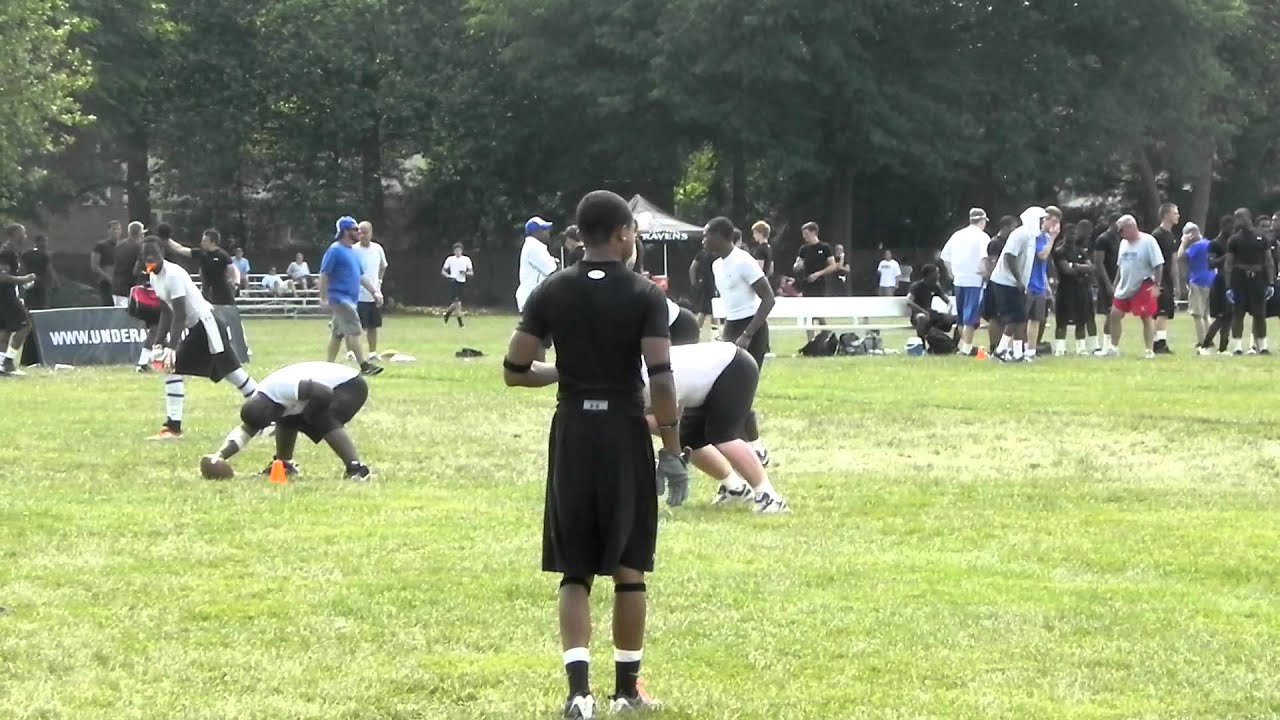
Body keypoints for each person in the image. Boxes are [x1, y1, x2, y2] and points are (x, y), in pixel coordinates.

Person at [502, 190, 682, 718]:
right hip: (624, 431)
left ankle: (578, 693)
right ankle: (626, 691)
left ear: (580, 235)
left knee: (575, 569)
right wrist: (671, 449)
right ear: (624, 233)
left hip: (575, 431)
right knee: (630, 567)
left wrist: (567, 372)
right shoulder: (645, 294)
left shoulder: (551, 290)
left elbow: (515, 370)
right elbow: (661, 378)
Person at [138, 236, 261, 440]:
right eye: (145, 255)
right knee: (230, 372)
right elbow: (166, 312)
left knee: (180, 368)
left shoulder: (173, 274)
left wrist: (171, 347)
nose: (149, 258)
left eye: (153, 254)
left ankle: (173, 427)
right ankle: (269, 412)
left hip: (207, 324)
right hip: (200, 327)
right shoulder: (153, 276)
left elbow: (180, 314)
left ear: (162, 253)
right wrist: (158, 342)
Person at [644, 342, 787, 512]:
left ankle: (769, 497)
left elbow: (666, 413)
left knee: (724, 437)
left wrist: (670, 451)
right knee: (689, 440)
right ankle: (735, 488)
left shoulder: (636, 379)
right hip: (708, 382)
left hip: (732, 366)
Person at [200, 361, 373, 482]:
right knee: (288, 418)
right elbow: (246, 431)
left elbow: (325, 393)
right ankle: (284, 464)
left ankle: (357, 468)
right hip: (321, 391)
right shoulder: (261, 402)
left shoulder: (284, 388)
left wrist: (308, 418)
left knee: (320, 418)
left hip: (349, 385)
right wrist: (219, 456)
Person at [706, 216, 776, 467]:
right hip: (732, 327)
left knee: (740, 393)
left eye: (707, 235)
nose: (703, 241)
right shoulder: (716, 265)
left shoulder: (744, 261)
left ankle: (756, 449)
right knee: (727, 391)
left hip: (752, 328)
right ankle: (745, 447)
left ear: (721, 236)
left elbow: (768, 299)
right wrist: (727, 333)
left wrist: (747, 334)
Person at [320, 216, 384, 376]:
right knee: (355, 331)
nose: (359, 232)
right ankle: (364, 366)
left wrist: (374, 292)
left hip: (350, 299)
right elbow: (324, 274)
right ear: (345, 231)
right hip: (340, 298)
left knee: (337, 334)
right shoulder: (335, 250)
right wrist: (323, 298)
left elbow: (361, 277)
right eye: (355, 229)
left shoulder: (352, 252)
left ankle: (327, 367)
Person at [989, 207, 1047, 362]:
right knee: (1015, 318)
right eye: (1042, 220)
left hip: (1016, 283)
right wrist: (1019, 280)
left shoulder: (1032, 236)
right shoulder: (1020, 234)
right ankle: (1002, 350)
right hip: (1005, 281)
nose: (1043, 223)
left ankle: (1016, 352)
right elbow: (1009, 257)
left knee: (1020, 318)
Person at [1101, 215, 1164, 358]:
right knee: (1114, 315)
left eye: (1121, 231)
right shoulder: (1123, 243)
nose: (1119, 234)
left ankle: (1149, 350)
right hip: (1125, 285)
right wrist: (1115, 283)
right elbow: (1121, 265)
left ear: (1131, 227)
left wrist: (1156, 286)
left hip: (1143, 283)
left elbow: (1159, 264)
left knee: (1146, 317)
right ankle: (1113, 347)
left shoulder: (1148, 241)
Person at [940, 208, 990, 356]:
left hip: (959, 280)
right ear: (982, 221)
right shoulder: (982, 237)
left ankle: (965, 346)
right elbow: (984, 259)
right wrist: (986, 275)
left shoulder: (957, 235)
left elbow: (945, 256)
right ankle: (967, 348)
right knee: (971, 316)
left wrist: (952, 273)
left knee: (962, 317)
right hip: (974, 279)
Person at [1225, 208, 1274, 355]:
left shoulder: (1261, 238)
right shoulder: (1234, 239)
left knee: (1260, 313)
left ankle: (1263, 346)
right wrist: (1228, 286)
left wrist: (1270, 282)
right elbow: (1229, 263)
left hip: (1258, 278)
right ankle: (1237, 346)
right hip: (1240, 278)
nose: (1236, 221)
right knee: (1238, 313)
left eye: (1238, 218)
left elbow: (1268, 261)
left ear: (1247, 218)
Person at [1051, 220, 1097, 355]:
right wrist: (1081, 268)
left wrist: (1076, 266)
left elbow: (1091, 267)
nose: (1074, 236)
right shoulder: (1059, 251)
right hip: (1065, 289)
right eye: (1071, 233)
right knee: (1062, 320)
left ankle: (1081, 347)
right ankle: (1060, 347)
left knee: (1081, 319)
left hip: (1081, 288)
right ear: (1065, 234)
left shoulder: (1080, 250)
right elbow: (1066, 270)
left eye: (1075, 233)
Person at [163, 228, 237, 307]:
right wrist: (167, 239)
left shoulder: (222, 255)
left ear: (213, 242)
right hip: (208, 293)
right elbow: (180, 249)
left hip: (224, 294)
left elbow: (232, 269)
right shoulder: (202, 254)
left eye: (205, 241)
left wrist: (234, 281)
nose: (202, 243)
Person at [1024, 207, 1061, 360]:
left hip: (1039, 283)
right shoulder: (1037, 237)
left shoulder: (1045, 237)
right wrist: (1053, 238)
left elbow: (1044, 265)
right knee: (1022, 320)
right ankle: (1016, 348)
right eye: (1053, 221)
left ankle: (1031, 350)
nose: (1055, 225)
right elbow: (1042, 255)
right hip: (1028, 283)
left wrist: (1047, 285)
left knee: (1036, 319)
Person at [0, 224, 35, 376]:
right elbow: (2, 276)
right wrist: (24, 279)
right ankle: (8, 361)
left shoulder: (11, 251)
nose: (25, 236)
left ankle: (1, 365)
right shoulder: (7, 252)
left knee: (5, 330)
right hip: (6, 297)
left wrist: (22, 283)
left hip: (5, 296)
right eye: (23, 233)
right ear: (15, 234)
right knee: (25, 326)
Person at [1198, 216, 1235, 355]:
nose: (1232, 230)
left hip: (1231, 281)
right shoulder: (1215, 243)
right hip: (1220, 281)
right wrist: (1227, 256)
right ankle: (1204, 345)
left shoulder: (1232, 242)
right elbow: (1211, 264)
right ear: (1223, 226)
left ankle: (1223, 347)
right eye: (1230, 227)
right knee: (1221, 316)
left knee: (1229, 316)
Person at [981, 216, 1018, 351]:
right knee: (995, 316)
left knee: (1004, 316)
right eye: (1013, 227)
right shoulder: (995, 243)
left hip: (1005, 283)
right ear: (1005, 227)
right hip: (996, 284)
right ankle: (994, 346)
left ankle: (1003, 346)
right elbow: (992, 263)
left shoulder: (1008, 243)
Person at [354, 221, 389, 361]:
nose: (362, 235)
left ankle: (373, 353)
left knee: (373, 326)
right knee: (357, 327)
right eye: (360, 232)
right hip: (358, 295)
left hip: (374, 295)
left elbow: (383, 266)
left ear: (371, 233)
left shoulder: (377, 248)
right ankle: (354, 352)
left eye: (365, 232)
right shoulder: (354, 250)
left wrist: (379, 283)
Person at [1150, 203, 1181, 353]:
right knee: (1161, 312)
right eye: (1175, 213)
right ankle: (1158, 344)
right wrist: (1155, 281)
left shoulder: (1171, 236)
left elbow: (1174, 260)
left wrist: (1177, 283)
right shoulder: (1157, 235)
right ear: (1166, 215)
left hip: (1168, 277)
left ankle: (1160, 342)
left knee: (1166, 311)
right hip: (1159, 277)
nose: (1178, 216)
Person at [1178, 223, 1214, 346]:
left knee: (1197, 314)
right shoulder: (1209, 243)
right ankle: (1210, 339)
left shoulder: (1196, 245)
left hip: (1198, 281)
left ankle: (1202, 341)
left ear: (1191, 235)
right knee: (1206, 314)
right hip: (1210, 279)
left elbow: (1180, 256)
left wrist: (1183, 243)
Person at [906, 264, 955, 349]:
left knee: (958, 319)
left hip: (930, 314)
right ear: (929, 274)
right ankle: (922, 346)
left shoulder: (935, 286)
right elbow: (909, 302)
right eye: (937, 273)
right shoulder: (916, 286)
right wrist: (924, 312)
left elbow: (948, 302)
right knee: (922, 317)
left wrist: (948, 312)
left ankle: (953, 345)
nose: (939, 275)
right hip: (917, 315)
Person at [516, 216, 558, 313]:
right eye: (544, 229)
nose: (548, 232)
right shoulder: (535, 246)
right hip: (534, 300)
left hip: (533, 299)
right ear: (536, 232)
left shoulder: (532, 246)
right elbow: (552, 270)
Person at [1093, 214, 1122, 355]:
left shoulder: (1120, 238)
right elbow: (1099, 263)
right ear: (1112, 223)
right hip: (1107, 279)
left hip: (1118, 279)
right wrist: (1108, 284)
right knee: (1110, 313)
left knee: (1117, 314)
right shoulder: (1103, 239)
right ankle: (1106, 345)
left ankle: (1113, 344)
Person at [110, 221, 146, 308]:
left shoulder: (119, 245)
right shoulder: (139, 248)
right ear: (140, 233)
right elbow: (137, 270)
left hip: (117, 287)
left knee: (119, 313)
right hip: (130, 289)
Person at [441, 242, 474, 327]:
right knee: (458, 303)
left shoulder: (466, 259)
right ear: (454, 251)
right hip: (453, 281)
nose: (457, 252)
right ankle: (460, 323)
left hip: (462, 282)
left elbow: (471, 273)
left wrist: (465, 273)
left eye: (459, 250)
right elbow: (443, 271)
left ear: (462, 251)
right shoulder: (450, 259)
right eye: (456, 250)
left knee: (456, 302)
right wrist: (448, 276)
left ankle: (447, 314)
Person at [20, 233, 55, 311]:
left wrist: (22, 280)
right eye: (44, 241)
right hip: (41, 282)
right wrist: (53, 282)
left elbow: (22, 268)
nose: (45, 244)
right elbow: (49, 269)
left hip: (29, 281)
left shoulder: (26, 253)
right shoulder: (44, 255)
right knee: (41, 304)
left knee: (29, 303)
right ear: (39, 242)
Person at [91, 221, 121, 306]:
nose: (116, 231)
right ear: (108, 231)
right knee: (108, 305)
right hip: (105, 283)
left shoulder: (122, 245)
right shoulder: (100, 246)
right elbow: (94, 266)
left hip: (120, 284)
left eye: (118, 229)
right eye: (114, 229)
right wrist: (108, 278)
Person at [687, 248, 717, 333]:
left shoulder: (701, 254)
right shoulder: (717, 254)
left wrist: (693, 283)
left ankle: (697, 331)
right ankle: (695, 331)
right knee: (709, 310)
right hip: (713, 284)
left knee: (707, 309)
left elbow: (692, 268)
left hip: (702, 284)